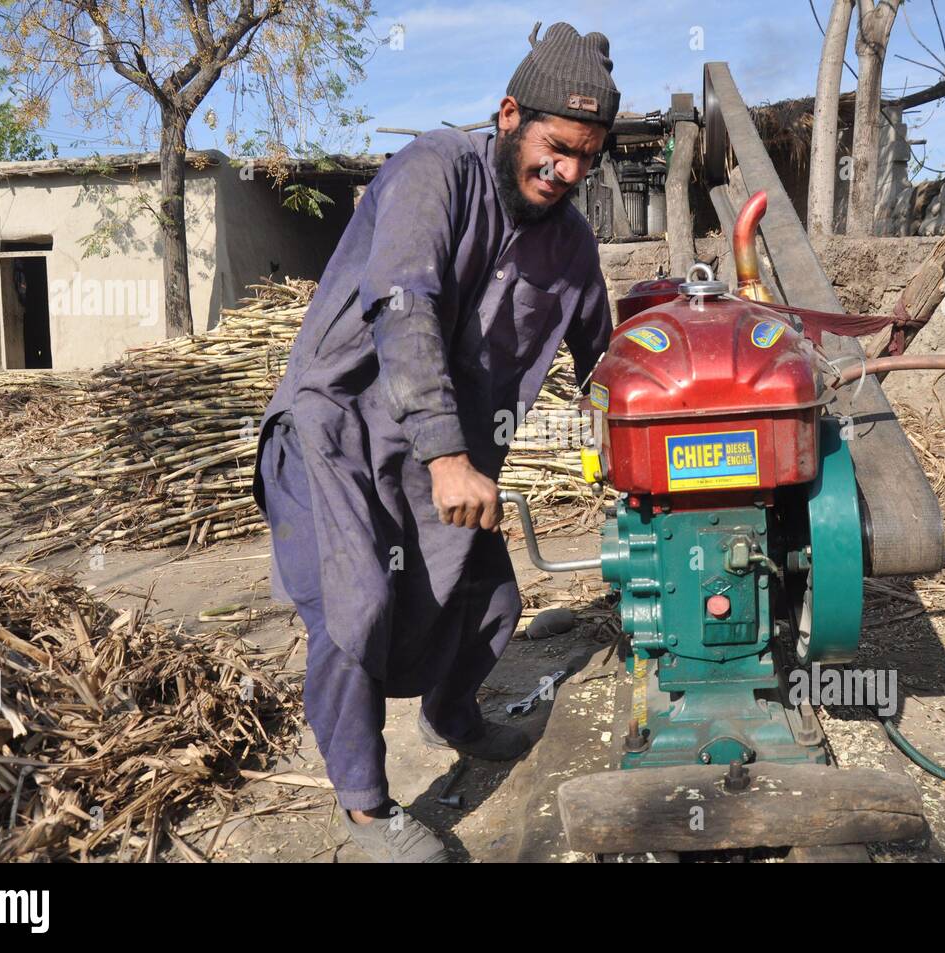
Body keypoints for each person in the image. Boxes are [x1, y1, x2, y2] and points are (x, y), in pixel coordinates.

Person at [252, 21, 619, 862]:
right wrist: (452, 457)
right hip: (338, 432)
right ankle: (366, 810)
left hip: (444, 459)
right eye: (556, 148)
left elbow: (603, 355)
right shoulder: (434, 169)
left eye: (585, 160)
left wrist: (652, 423)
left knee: (492, 603)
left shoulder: (571, 242)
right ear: (507, 115)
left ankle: (453, 715)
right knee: (360, 613)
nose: (566, 173)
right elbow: (405, 305)